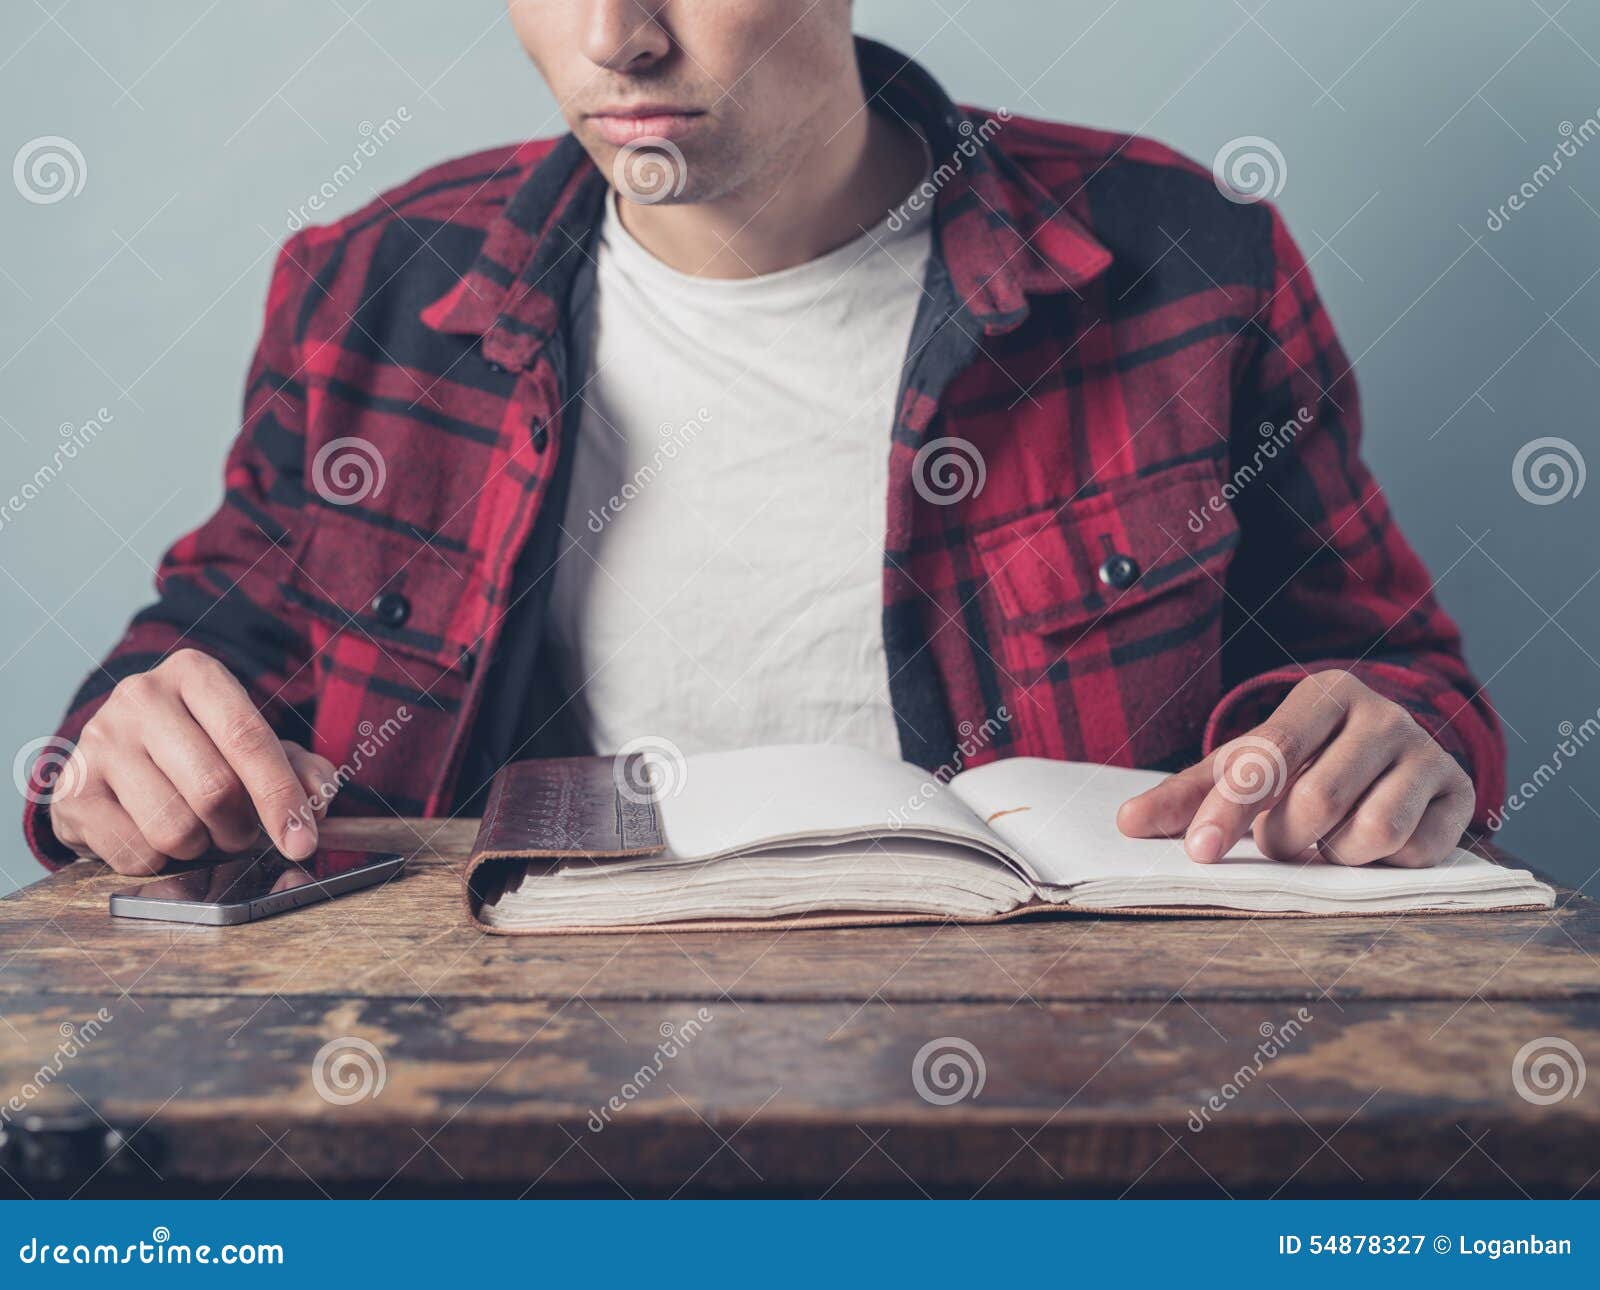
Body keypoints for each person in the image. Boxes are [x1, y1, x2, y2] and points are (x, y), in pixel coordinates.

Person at [23, 1, 1501, 880]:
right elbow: (188, 670)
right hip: (506, 1128)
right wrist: (107, 757)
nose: (619, 37)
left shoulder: (1181, 258)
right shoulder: (374, 292)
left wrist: (1391, 743)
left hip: (1066, 1117)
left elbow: (1405, 678)